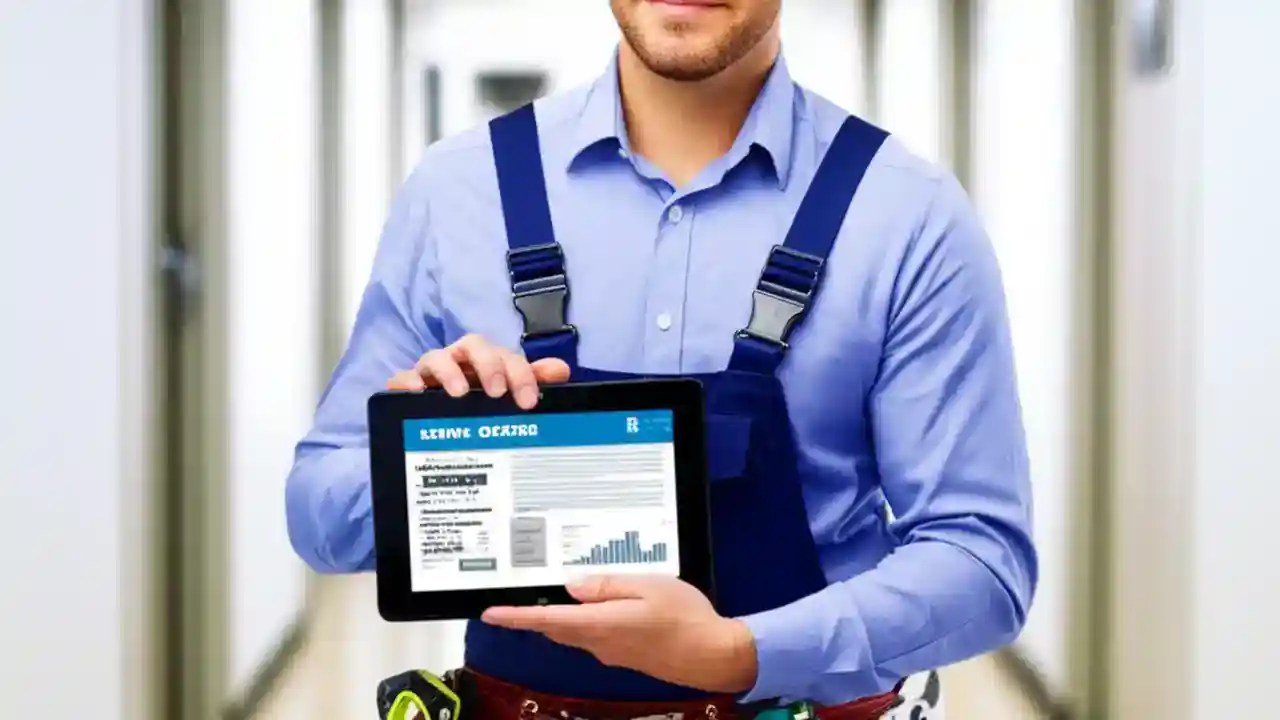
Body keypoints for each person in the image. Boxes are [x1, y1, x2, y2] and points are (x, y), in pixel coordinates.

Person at [286, 1, 1037, 717]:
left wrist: (743, 654)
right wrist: (428, 458)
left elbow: (982, 560)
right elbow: (321, 515)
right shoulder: (456, 190)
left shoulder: (909, 214)